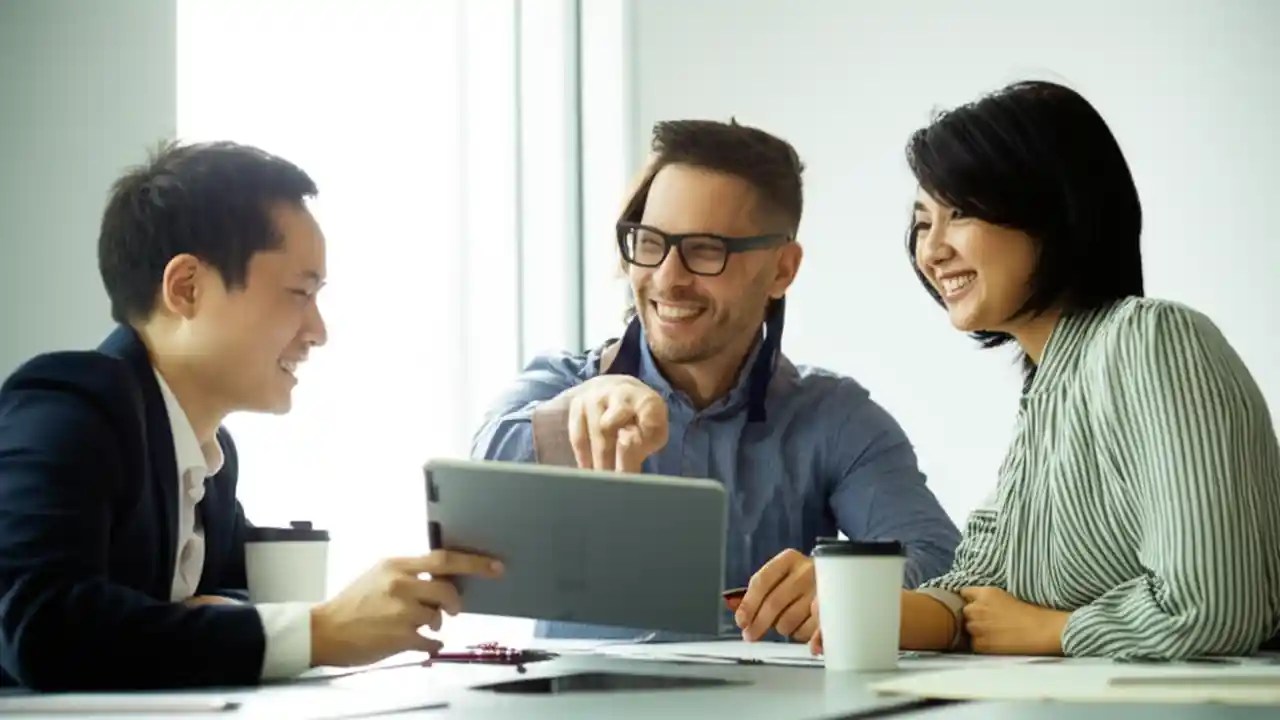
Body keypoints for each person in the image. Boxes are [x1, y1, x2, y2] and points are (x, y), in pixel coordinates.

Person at [0, 141, 503, 690]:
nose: (318, 331)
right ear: (186, 288)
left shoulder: (208, 457)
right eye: (297, 293)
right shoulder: (68, 406)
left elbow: (229, 604)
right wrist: (322, 631)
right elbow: (40, 625)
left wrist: (229, 617)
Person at [809, 80, 1280, 660]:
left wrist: (1055, 630)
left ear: (1053, 210)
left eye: (959, 212)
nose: (931, 251)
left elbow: (1211, 607)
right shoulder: (1050, 388)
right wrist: (864, 605)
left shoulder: (1150, 339)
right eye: (923, 222)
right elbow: (984, 582)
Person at [473, 119, 960, 642]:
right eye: (650, 241)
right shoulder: (559, 385)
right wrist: (573, 414)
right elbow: (472, 502)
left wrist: (847, 585)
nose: (666, 278)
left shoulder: (836, 419)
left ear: (782, 270)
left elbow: (942, 565)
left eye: (706, 250)